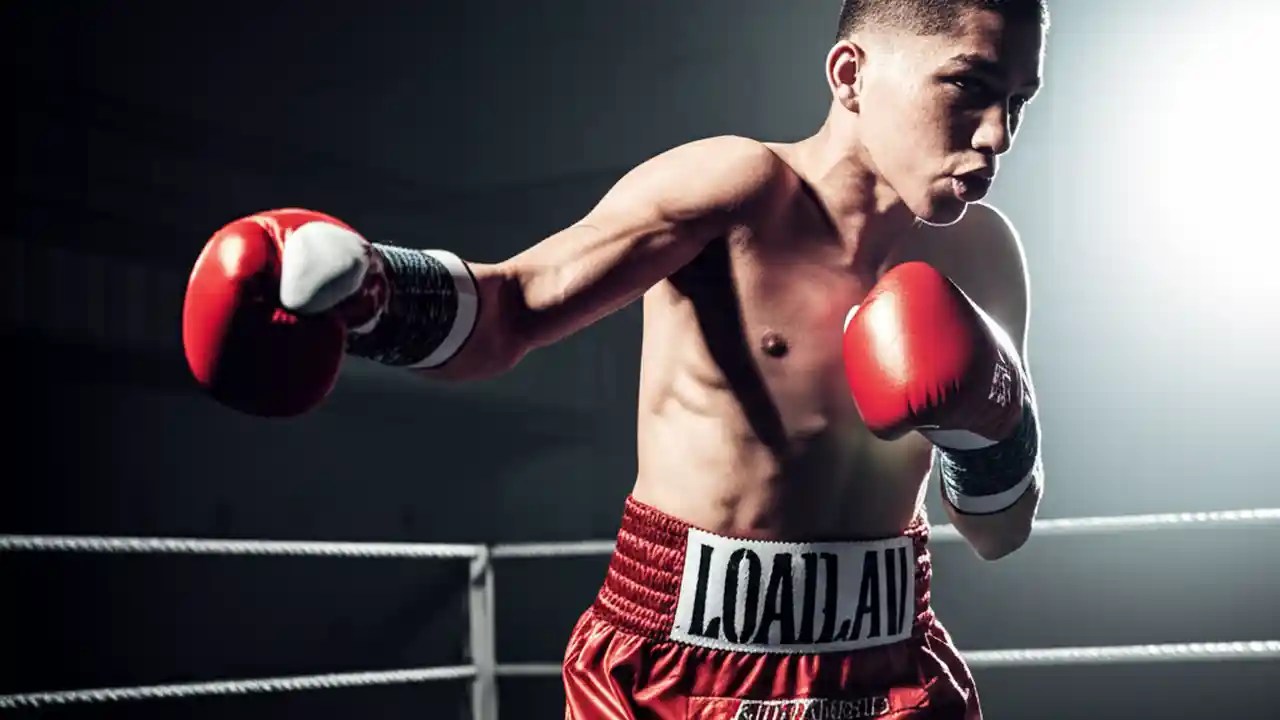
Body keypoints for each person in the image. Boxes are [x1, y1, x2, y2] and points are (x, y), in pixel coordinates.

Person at [182, 0, 1049, 716]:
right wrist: (374, 298)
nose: (998, 134)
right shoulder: (737, 188)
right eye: (970, 87)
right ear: (852, 76)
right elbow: (516, 305)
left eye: (1019, 100)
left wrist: (995, 434)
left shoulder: (982, 257)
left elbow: (996, 533)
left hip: (886, 666)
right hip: (680, 665)